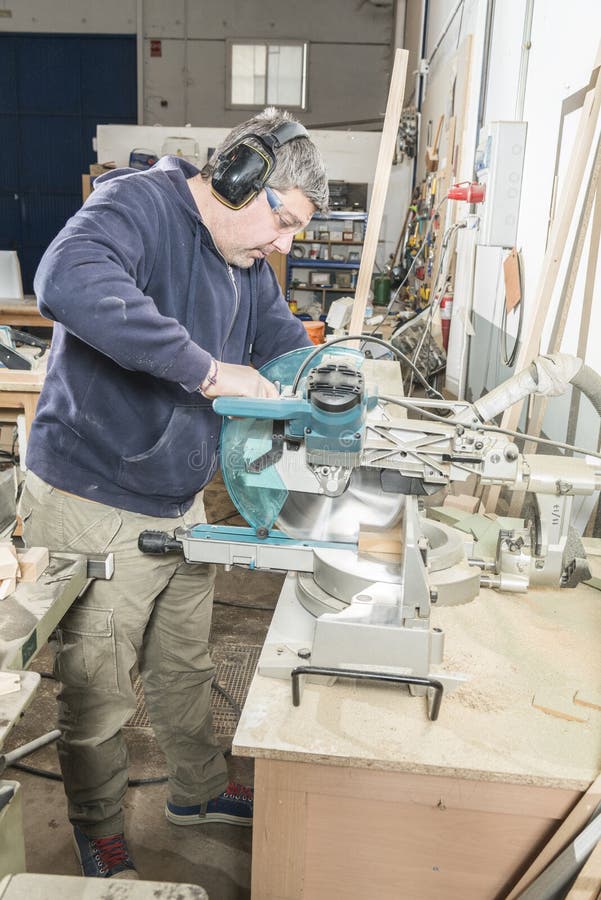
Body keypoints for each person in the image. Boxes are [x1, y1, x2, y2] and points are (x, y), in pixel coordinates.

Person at [18, 106, 328, 880]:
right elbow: (65, 279)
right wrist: (209, 370)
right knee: (97, 685)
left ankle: (196, 792)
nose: (283, 245)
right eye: (282, 221)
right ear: (238, 178)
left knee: (185, 665)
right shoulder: (136, 205)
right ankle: (99, 831)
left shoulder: (246, 260)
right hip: (93, 493)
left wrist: (325, 386)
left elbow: (280, 338)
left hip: (178, 496)